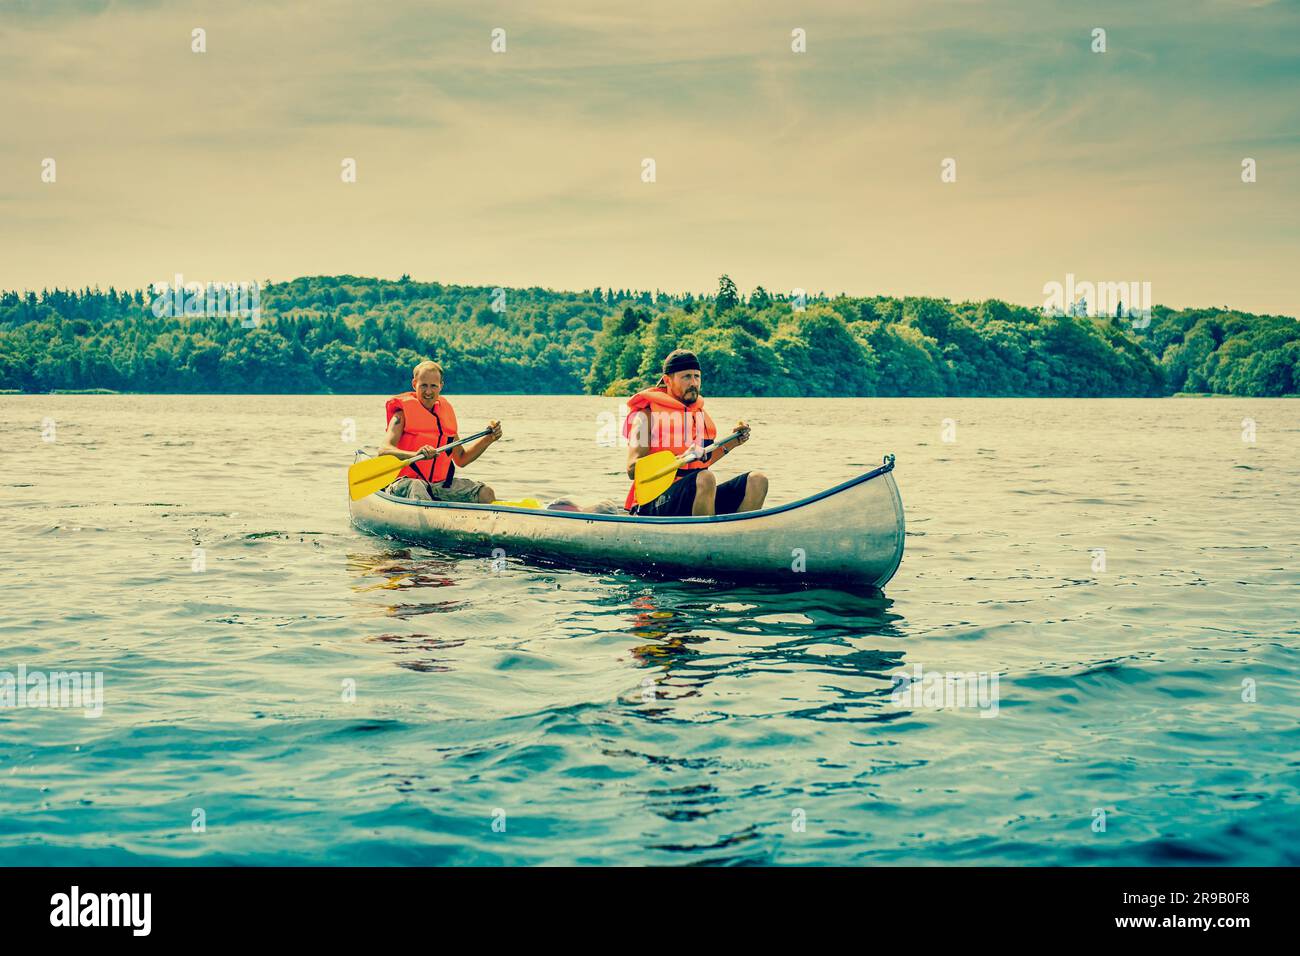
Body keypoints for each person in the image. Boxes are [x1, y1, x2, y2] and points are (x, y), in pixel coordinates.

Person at [623, 349, 768, 516]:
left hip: (695, 490)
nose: (693, 383)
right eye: (686, 377)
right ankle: (705, 537)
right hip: (653, 502)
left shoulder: (698, 416)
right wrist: (679, 459)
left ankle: (740, 536)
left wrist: (734, 442)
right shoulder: (645, 416)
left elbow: (702, 460)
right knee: (706, 478)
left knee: (757, 480)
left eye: (696, 376)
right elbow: (632, 469)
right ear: (667, 380)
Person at [379, 360, 502, 503]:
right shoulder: (401, 415)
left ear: (441, 386)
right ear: (414, 384)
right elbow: (384, 450)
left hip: (439, 485)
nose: (428, 391)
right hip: (405, 484)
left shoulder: (445, 417)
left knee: (485, 493)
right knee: (418, 488)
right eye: (423, 385)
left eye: (433, 386)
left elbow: (461, 458)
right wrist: (416, 454)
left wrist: (489, 439)